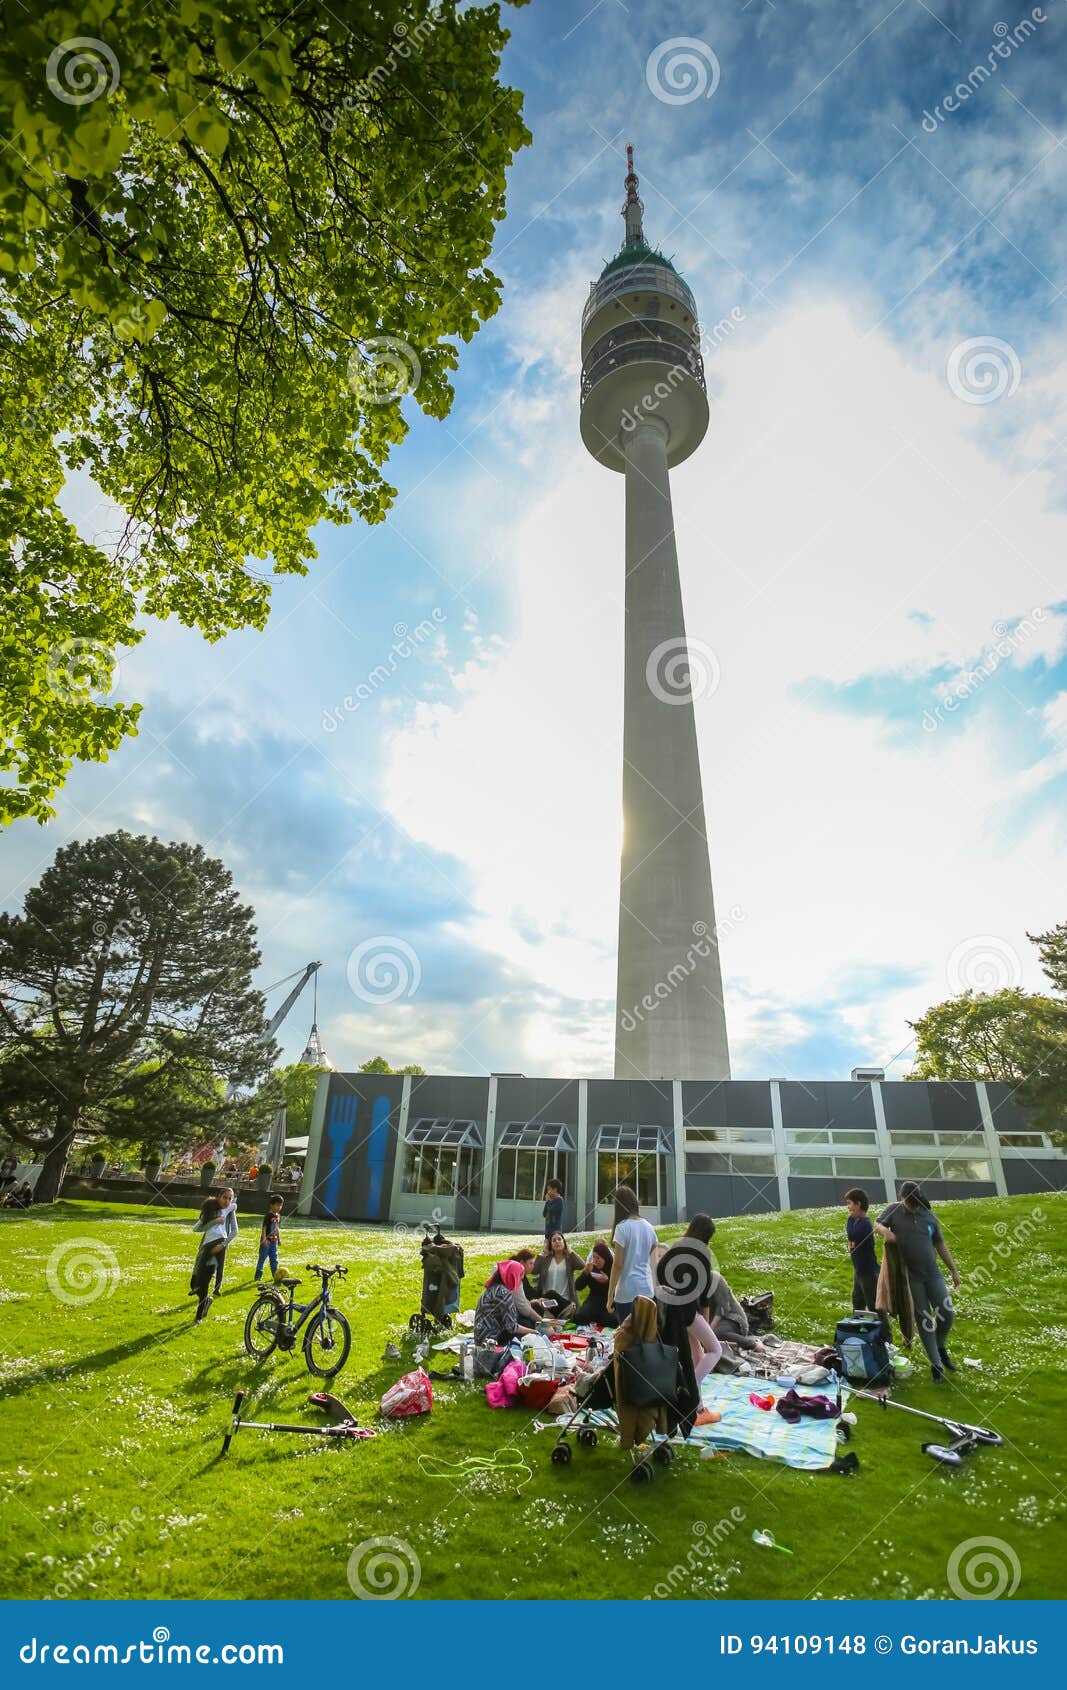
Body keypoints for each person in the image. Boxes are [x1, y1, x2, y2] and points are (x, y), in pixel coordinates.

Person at [875, 1181, 960, 1382]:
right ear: (902, 1198)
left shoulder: (928, 1215)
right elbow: (877, 1224)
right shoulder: (894, 1210)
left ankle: (940, 1346)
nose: (913, 1208)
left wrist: (954, 1271)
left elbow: (939, 1242)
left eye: (915, 1204)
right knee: (924, 1319)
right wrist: (886, 1232)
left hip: (932, 1273)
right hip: (910, 1278)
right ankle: (936, 1364)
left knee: (946, 1311)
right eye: (909, 1204)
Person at [657, 1214, 723, 1384]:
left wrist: (672, 1291)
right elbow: (705, 1298)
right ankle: (691, 1386)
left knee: (698, 1354)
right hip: (688, 1313)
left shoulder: (677, 1246)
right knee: (716, 1350)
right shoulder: (703, 1253)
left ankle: (697, 1403)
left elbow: (659, 1271)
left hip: (672, 1309)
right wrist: (705, 1325)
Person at [606, 1185, 658, 1324]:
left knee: (628, 1338)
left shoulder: (622, 1227)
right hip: (646, 1289)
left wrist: (610, 1296)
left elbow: (617, 1265)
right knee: (645, 1335)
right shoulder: (648, 1226)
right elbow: (653, 1246)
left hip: (627, 1291)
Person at [473, 1260, 535, 1346]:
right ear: (513, 1276)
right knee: (527, 1328)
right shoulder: (503, 1293)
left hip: (480, 1335)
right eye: (520, 1277)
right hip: (490, 1340)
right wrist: (535, 1332)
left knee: (524, 1322)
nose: (521, 1280)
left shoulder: (493, 1287)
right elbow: (512, 1327)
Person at [190, 1197, 228, 1322]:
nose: (226, 1201)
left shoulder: (226, 1213)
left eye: (229, 1198)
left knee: (203, 1286)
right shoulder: (211, 1216)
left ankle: (198, 1317)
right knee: (193, 1285)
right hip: (204, 1251)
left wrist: (222, 1245)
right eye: (224, 1198)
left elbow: (233, 1233)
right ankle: (206, 1302)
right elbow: (196, 1228)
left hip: (216, 1253)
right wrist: (214, 1221)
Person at [531, 1231, 584, 1320]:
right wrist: (542, 1253)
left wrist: (570, 1251)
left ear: (564, 1242)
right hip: (547, 1300)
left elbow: (581, 1265)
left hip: (564, 1300)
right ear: (550, 1245)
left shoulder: (569, 1259)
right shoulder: (546, 1259)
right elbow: (533, 1271)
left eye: (559, 1239)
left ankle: (565, 1314)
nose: (557, 1242)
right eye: (554, 1240)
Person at [574, 1240, 616, 1327]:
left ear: (605, 1258)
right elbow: (578, 1286)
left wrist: (607, 1282)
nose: (595, 1261)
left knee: (611, 1321)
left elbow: (618, 1290)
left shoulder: (612, 1269)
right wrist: (585, 1273)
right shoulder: (591, 1268)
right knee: (581, 1317)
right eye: (594, 1257)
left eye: (598, 1258)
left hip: (608, 1301)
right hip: (593, 1299)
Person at [255, 1195, 284, 1282]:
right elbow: (264, 1228)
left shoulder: (278, 1216)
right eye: (277, 1205)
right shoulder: (268, 1216)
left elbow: (277, 1228)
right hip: (266, 1241)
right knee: (262, 1258)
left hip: (274, 1242)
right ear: (271, 1205)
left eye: (280, 1205)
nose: (279, 1207)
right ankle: (258, 1276)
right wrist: (264, 1239)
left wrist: (278, 1239)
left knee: (274, 1259)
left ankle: (275, 1275)